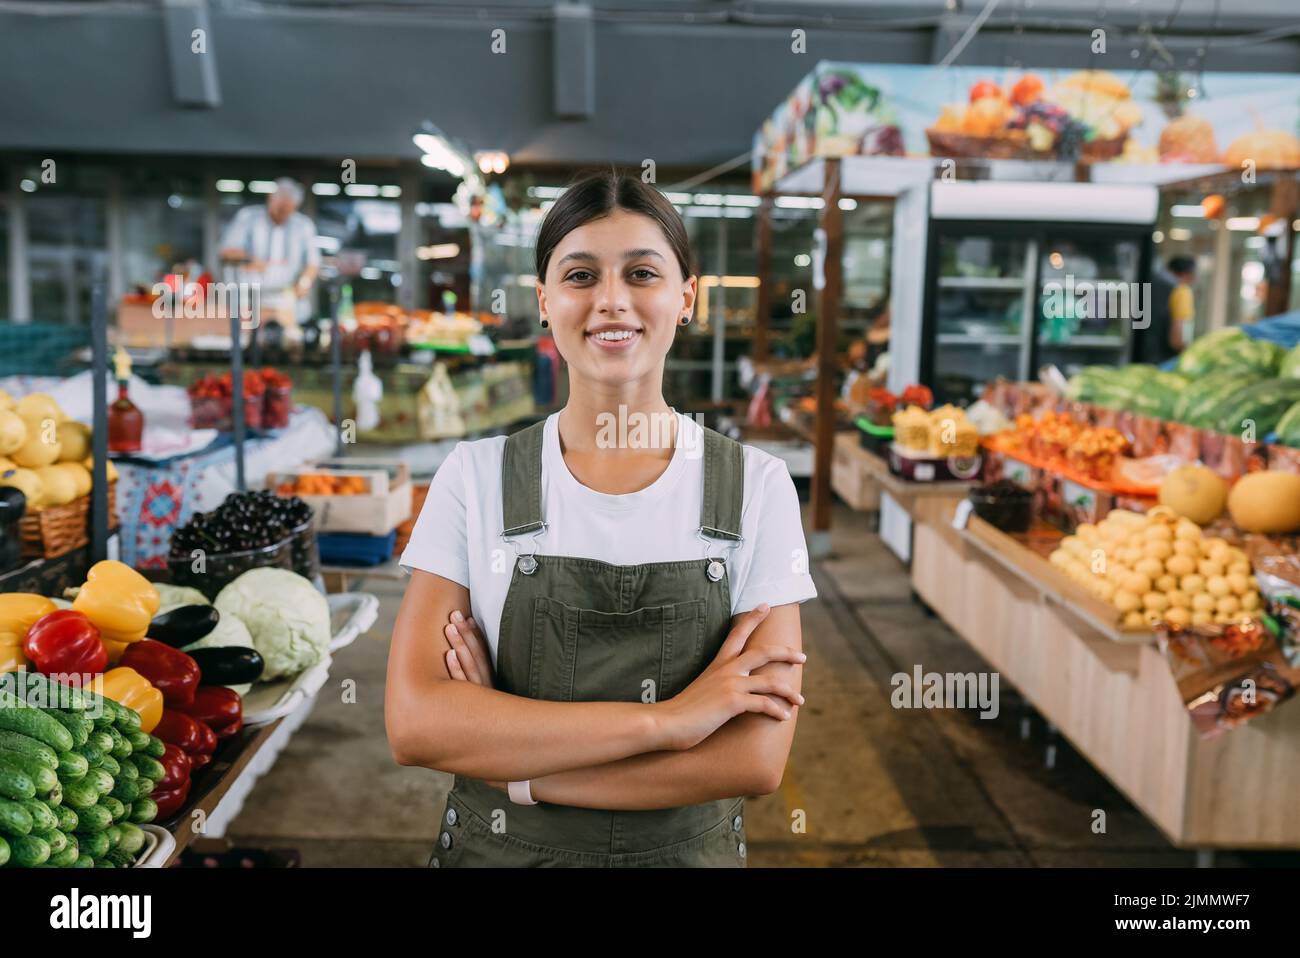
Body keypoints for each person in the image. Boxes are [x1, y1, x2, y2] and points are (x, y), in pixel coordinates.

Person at [386, 170, 817, 868]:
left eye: (641, 273)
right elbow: (416, 725)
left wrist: (516, 770)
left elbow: (755, 756)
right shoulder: (475, 479)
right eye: (581, 274)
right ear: (546, 301)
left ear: (686, 298)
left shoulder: (757, 489)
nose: (611, 301)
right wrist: (672, 722)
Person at [218, 177, 320, 339]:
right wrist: (250, 259)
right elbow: (226, 251)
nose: (282, 215)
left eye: (288, 210)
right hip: (250, 297)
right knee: (246, 339)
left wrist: (304, 283)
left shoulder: (303, 225)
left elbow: (313, 263)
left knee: (290, 337)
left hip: (285, 297)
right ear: (270, 199)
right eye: (279, 209)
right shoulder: (248, 217)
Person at [1134, 255, 1196, 365]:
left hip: (1136, 355)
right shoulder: (1182, 291)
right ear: (1187, 275)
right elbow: (1176, 340)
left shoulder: (1145, 281)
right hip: (1162, 361)